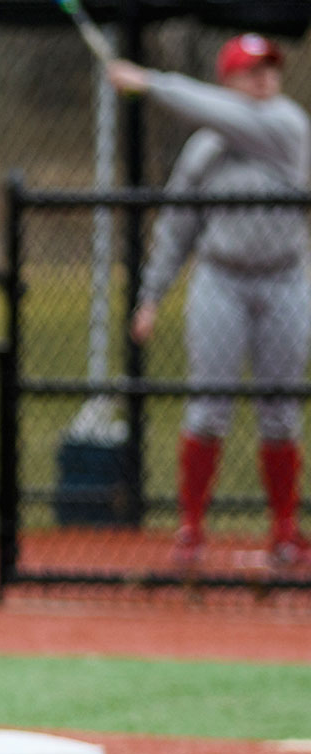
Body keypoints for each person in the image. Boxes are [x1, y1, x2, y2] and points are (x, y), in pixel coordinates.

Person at [110, 35, 311, 569]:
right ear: (227, 82)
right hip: (221, 280)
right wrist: (152, 295)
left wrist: (150, 82)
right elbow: (178, 227)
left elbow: (216, 112)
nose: (264, 79)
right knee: (208, 405)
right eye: (250, 72)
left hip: (285, 282)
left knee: (280, 410)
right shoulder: (203, 151)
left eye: (269, 69)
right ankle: (192, 529)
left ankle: (286, 531)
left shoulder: (288, 126)